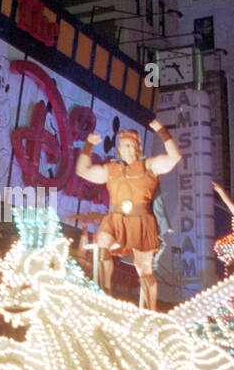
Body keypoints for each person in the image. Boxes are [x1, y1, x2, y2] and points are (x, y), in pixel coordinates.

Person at [75, 120, 181, 311]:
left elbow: (175, 157)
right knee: (102, 247)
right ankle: (104, 293)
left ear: (138, 148)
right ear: (119, 149)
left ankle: (150, 311)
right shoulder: (112, 169)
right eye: (125, 145)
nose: (128, 148)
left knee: (144, 269)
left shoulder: (149, 166)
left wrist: (161, 130)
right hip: (115, 219)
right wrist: (88, 145)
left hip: (141, 222)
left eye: (132, 145)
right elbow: (82, 170)